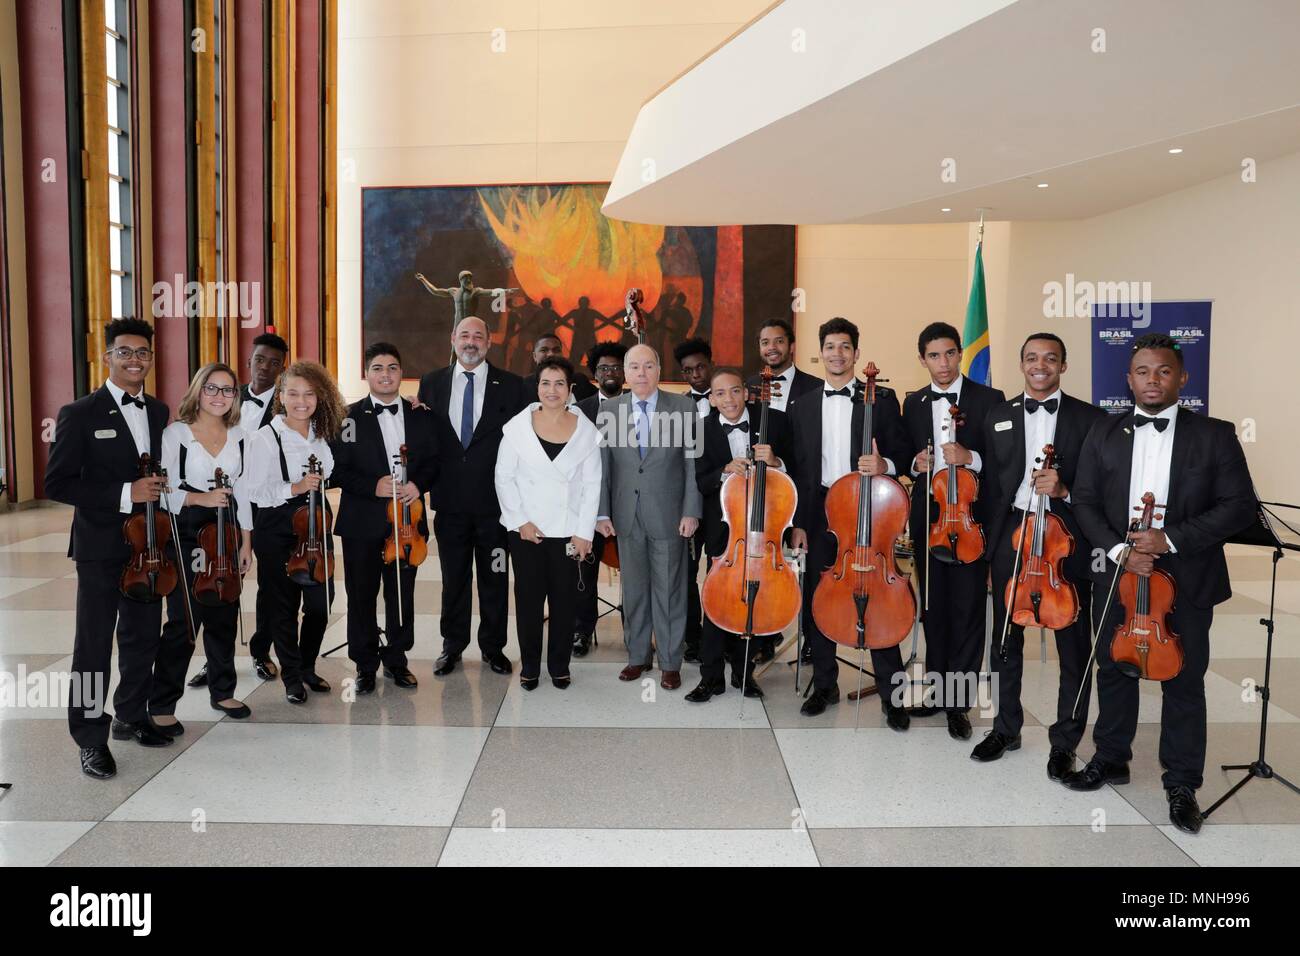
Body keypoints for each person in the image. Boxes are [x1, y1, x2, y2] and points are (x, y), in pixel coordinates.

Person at [1065, 333, 1256, 834]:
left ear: (1182, 377)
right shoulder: (1103, 431)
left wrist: (1169, 539)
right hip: (1119, 572)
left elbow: (1239, 506)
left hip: (1187, 574)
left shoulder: (1215, 434)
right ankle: (1111, 757)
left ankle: (1182, 782)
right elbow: (1084, 500)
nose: (1153, 380)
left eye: (1164, 371)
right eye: (1143, 371)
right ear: (1128, 379)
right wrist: (1121, 551)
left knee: (1184, 678)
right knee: (1115, 666)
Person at [971, 333, 1106, 777]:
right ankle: (1005, 728)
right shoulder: (998, 415)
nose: (1040, 365)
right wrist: (990, 547)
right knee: (1005, 639)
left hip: (1067, 538)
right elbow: (991, 486)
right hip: (1012, 533)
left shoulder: (1090, 418)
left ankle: (1065, 741)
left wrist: (1065, 489)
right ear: (1021, 364)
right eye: (1031, 358)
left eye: (1050, 358)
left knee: (1073, 642)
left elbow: (1104, 486)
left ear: (1063, 365)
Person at [45, 319, 173, 777]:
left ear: (150, 359)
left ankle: (131, 715)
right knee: (93, 645)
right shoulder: (79, 413)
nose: (134, 360)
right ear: (107, 357)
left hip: (148, 546)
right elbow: (57, 483)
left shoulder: (158, 411)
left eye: (142, 353)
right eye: (125, 352)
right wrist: (125, 493)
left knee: (142, 636)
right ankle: (89, 738)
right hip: (100, 547)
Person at [787, 318, 911, 726]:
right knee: (820, 598)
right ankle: (825, 684)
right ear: (820, 352)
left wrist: (885, 464)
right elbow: (799, 469)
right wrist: (798, 523)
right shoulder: (803, 404)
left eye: (844, 346)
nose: (837, 354)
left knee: (878, 598)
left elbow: (904, 453)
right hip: (820, 513)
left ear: (856, 353)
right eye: (830, 346)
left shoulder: (883, 399)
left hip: (869, 511)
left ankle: (893, 695)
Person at [903, 322, 1006, 740]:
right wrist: (915, 464)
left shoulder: (990, 399)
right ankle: (938, 689)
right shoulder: (913, 403)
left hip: (969, 520)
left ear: (961, 354)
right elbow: (900, 454)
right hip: (929, 518)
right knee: (933, 609)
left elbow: (1005, 459)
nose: (943, 363)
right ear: (922, 359)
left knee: (967, 610)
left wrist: (972, 458)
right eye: (934, 355)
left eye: (949, 353)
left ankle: (959, 703)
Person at [417, 316, 526, 677]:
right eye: (464, 335)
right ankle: (452, 646)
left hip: (495, 507)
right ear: (453, 338)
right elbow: (424, 439)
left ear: (489, 342)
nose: (471, 342)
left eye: (478, 336)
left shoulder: (512, 386)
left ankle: (493, 647)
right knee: (454, 579)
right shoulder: (432, 383)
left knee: (495, 577)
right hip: (450, 505)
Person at [149, 363, 255, 729]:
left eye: (227, 389)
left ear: (235, 396)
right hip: (188, 531)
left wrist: (246, 541)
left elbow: (244, 490)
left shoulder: (240, 435)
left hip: (227, 531)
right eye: (211, 388)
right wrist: (199, 499)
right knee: (184, 620)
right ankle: (162, 702)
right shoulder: (176, 434)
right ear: (198, 390)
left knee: (224, 613)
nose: (219, 396)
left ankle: (222, 690)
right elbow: (163, 489)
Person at [330, 343, 439, 694]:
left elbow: (436, 461)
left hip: (407, 523)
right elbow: (336, 470)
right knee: (361, 595)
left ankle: (396, 660)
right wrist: (372, 487)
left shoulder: (422, 415)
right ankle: (364, 665)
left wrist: (419, 484)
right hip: (361, 521)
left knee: (401, 594)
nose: (386, 374)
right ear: (367, 374)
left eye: (392, 367)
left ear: (401, 372)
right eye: (378, 368)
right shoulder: (346, 418)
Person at [596, 344, 702, 690]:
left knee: (670, 590)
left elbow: (692, 464)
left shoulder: (684, 408)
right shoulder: (609, 410)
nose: (641, 373)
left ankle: (670, 661)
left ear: (658, 370)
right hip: (626, 514)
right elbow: (603, 467)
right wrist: (602, 512)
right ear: (625, 373)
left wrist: (691, 510)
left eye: (648, 366)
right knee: (635, 590)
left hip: (669, 515)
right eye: (634, 367)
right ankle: (638, 656)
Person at [685, 367, 794, 703]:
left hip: (765, 531)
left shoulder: (774, 421)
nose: (729, 399)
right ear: (711, 399)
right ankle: (710, 677)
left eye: (735, 391)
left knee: (756, 604)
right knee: (717, 602)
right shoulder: (700, 430)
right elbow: (697, 480)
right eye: (720, 393)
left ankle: (744, 674)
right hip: (725, 534)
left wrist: (775, 461)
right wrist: (723, 471)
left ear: (746, 393)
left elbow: (797, 467)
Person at [242, 361, 347, 704]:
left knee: (320, 604)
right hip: (277, 526)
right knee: (282, 606)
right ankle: (291, 676)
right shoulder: (264, 438)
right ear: (282, 397)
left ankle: (306, 665)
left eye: (309, 394)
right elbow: (254, 491)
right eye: (293, 393)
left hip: (316, 524)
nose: (302, 401)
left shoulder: (322, 432)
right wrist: (295, 487)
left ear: (320, 397)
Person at [496, 357, 602, 690]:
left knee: (564, 602)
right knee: (528, 601)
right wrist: (520, 521)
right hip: (527, 531)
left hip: (568, 531)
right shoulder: (516, 429)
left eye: (559, 384)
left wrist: (584, 532)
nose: (551, 390)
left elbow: (592, 485)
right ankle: (529, 665)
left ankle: (559, 665)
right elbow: (503, 477)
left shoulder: (586, 432)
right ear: (537, 387)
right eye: (545, 383)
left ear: (570, 389)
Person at [190, 332, 287, 690]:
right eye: (260, 359)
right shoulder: (226, 396)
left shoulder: (287, 404)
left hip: (268, 505)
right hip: (223, 502)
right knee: (220, 582)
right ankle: (216, 661)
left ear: (281, 369)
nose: (265, 367)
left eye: (274, 363)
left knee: (270, 584)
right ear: (249, 361)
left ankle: (262, 652)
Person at [572, 342, 628, 657]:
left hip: (629, 501)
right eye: (604, 368)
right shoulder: (580, 410)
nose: (611, 372)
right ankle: (582, 629)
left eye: (616, 367)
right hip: (590, 503)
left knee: (634, 570)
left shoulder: (639, 406)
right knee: (584, 570)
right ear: (595, 374)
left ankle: (635, 630)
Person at [674, 336, 714, 665]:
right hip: (687, 501)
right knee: (686, 575)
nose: (696, 374)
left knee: (718, 573)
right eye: (688, 370)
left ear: (711, 365)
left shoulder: (729, 399)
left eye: (700, 367)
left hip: (721, 502)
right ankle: (693, 638)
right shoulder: (677, 407)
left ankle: (722, 636)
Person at [746, 318, 821, 414]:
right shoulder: (750, 385)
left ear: (792, 347)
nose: (772, 347)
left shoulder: (816, 387)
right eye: (765, 343)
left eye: (779, 341)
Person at [522, 332, 596, 402]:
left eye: (556, 350)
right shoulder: (524, 385)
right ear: (534, 356)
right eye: (544, 350)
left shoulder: (580, 381)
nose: (551, 354)